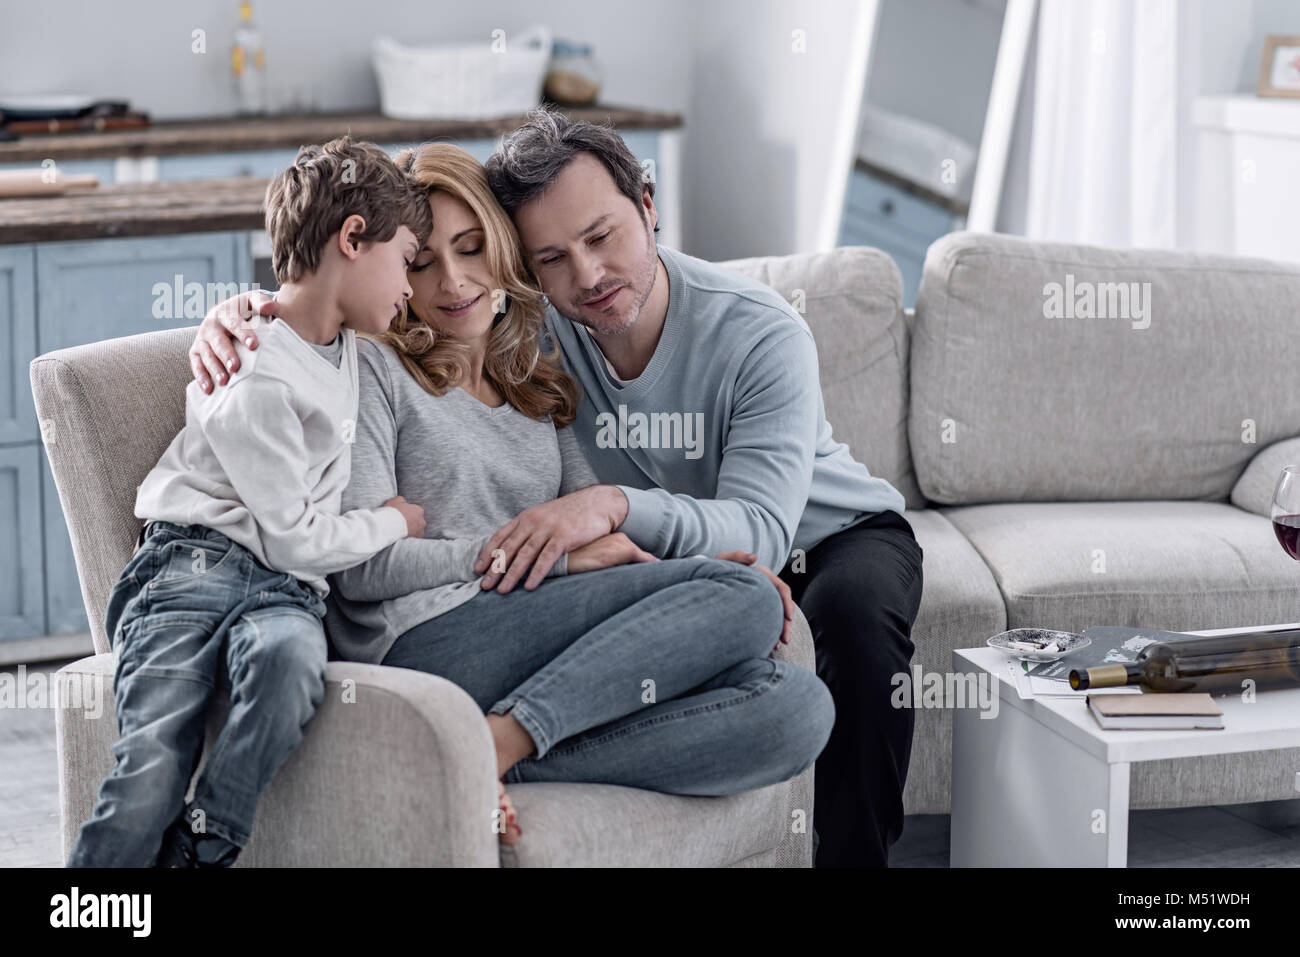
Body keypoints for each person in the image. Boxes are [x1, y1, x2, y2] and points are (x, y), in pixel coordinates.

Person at [192, 142, 836, 848]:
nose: (453, 281)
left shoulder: (536, 372)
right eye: (421, 261)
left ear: (504, 250)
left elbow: (595, 533)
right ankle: (506, 737)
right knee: (743, 601)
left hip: (530, 632)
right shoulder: (372, 364)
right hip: (424, 639)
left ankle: (501, 749)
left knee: (795, 707)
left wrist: (685, 578)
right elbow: (364, 568)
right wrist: (241, 312)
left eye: (471, 248)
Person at [67, 136, 431, 868]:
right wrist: (395, 519)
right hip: (190, 571)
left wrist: (236, 302)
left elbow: (302, 300)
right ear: (354, 238)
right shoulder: (255, 368)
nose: (413, 286)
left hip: (283, 595)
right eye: (409, 259)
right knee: (151, 761)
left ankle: (203, 844)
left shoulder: (348, 343)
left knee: (291, 667)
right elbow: (297, 535)